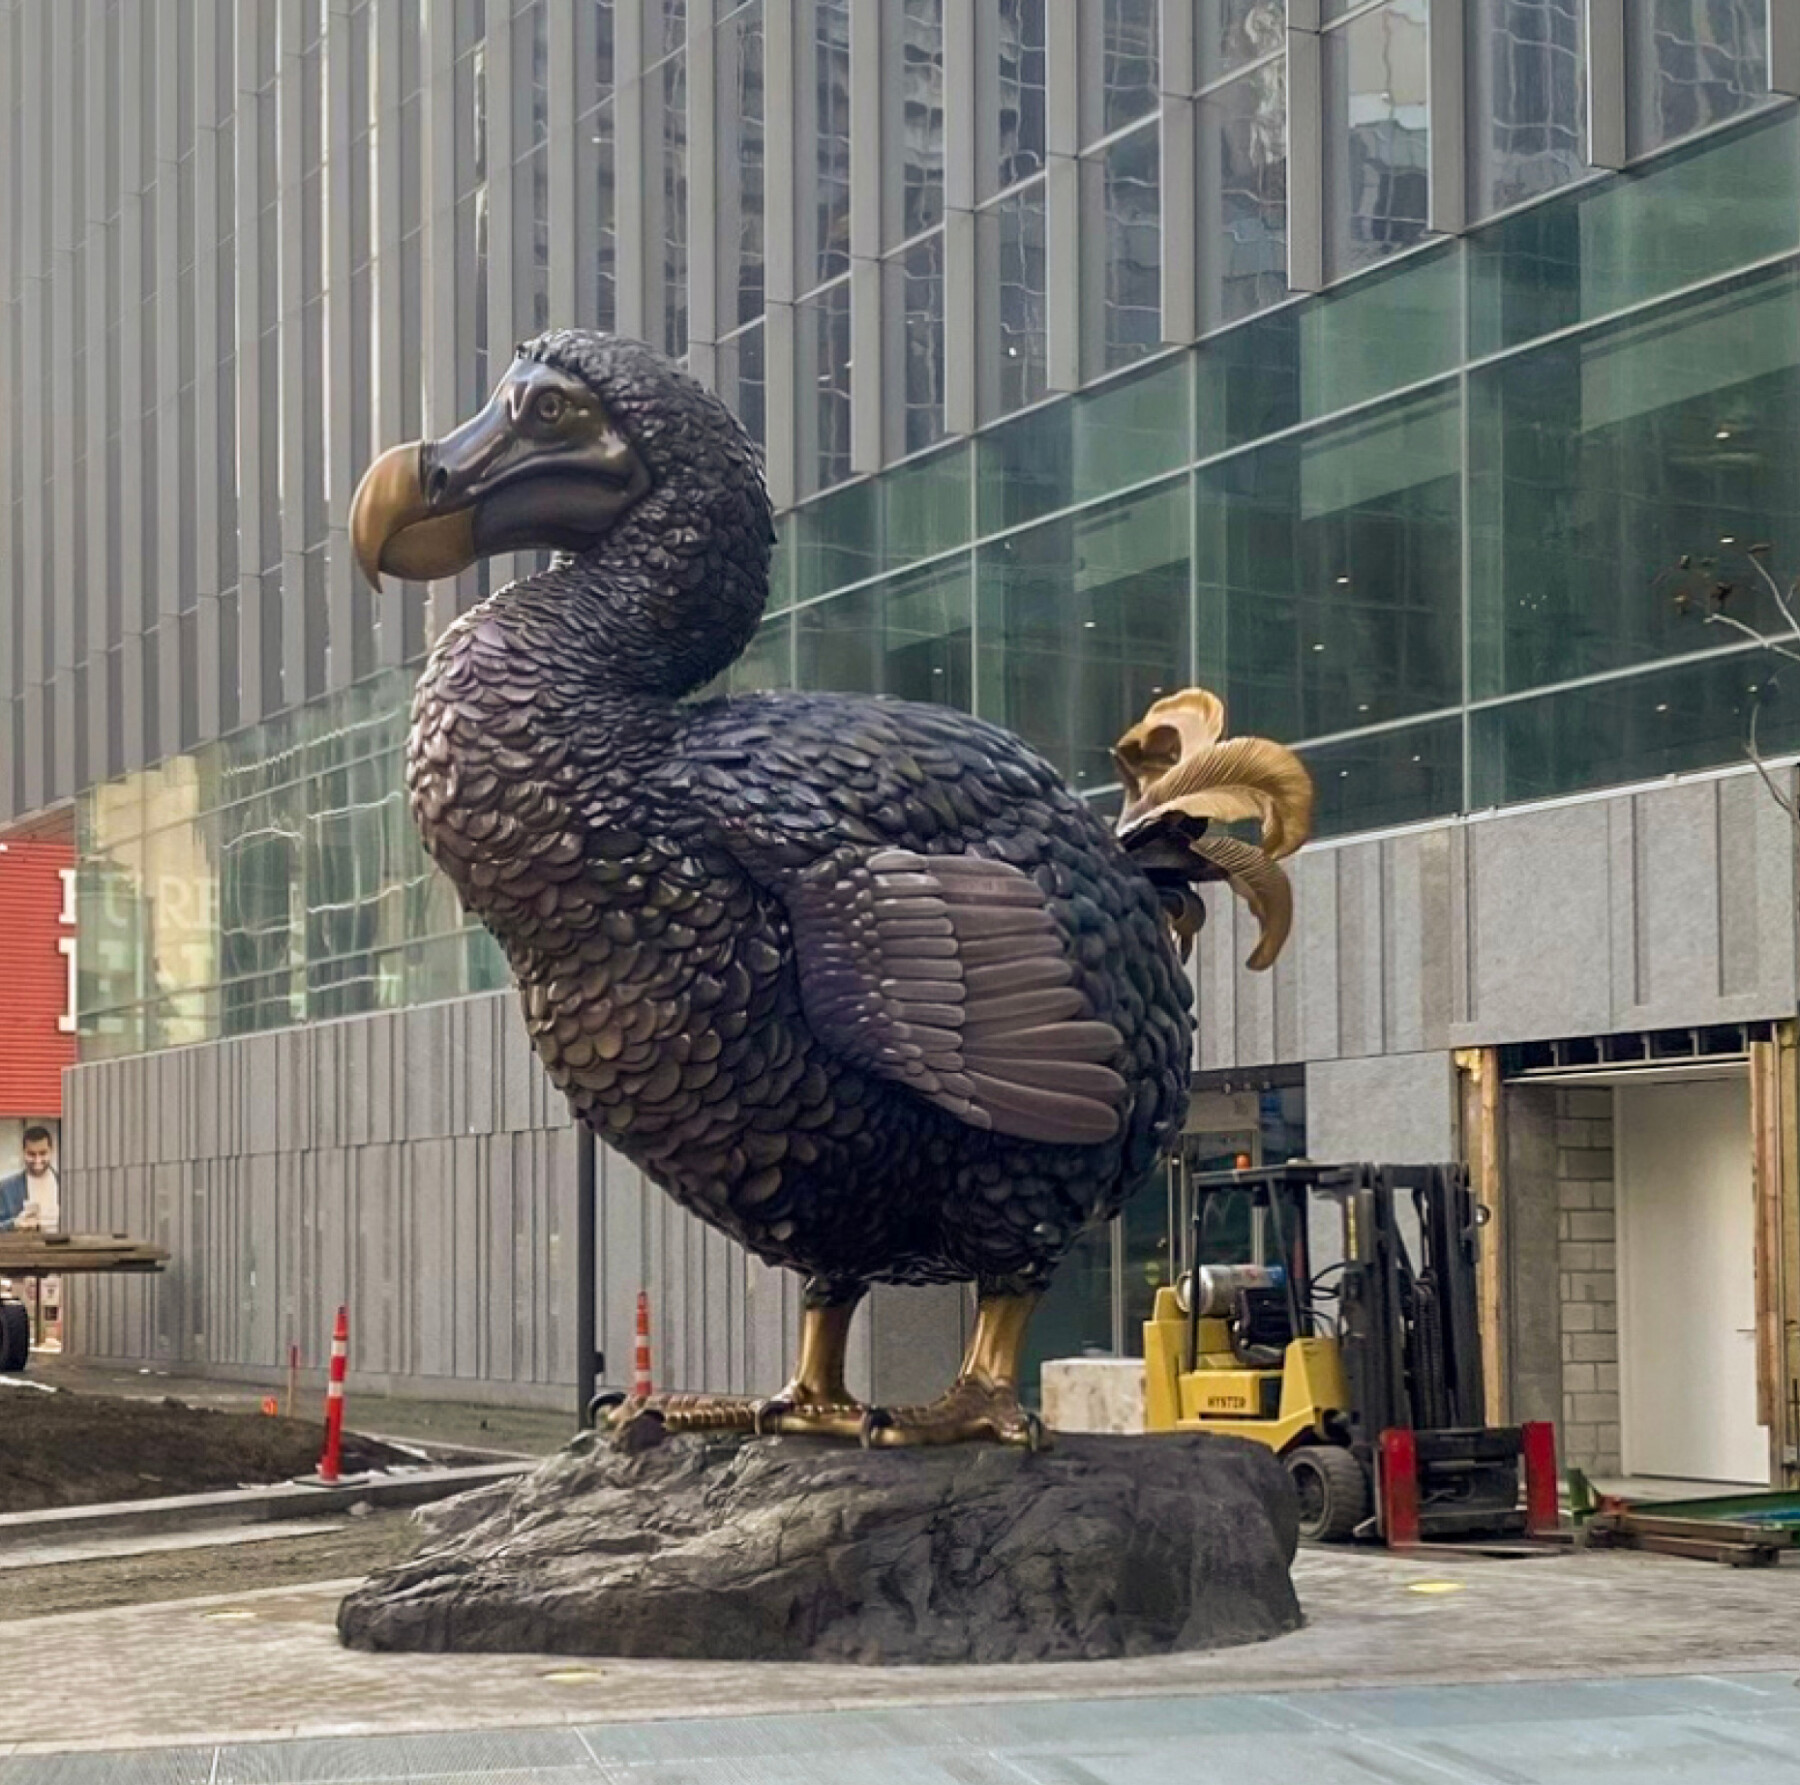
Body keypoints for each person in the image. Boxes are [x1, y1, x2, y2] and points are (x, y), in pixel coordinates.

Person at [0, 1126, 56, 1233]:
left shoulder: (66, 1185)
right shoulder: (6, 1189)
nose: (37, 1160)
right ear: (23, 1152)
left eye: (43, 1153)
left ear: (51, 1151)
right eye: (31, 1154)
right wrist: (14, 1224)